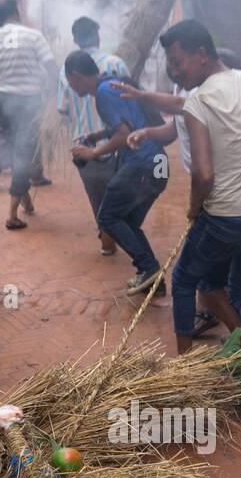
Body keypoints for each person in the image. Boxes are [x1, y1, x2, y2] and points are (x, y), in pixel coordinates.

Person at [161, 20, 241, 354]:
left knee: (184, 280)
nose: (175, 72)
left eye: (177, 62)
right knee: (239, 290)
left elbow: (204, 175)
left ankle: (183, 365)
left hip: (224, 219)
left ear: (201, 54)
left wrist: (193, 208)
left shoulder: (199, 101)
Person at [124, 48, 241, 339]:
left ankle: (239, 335)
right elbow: (173, 129)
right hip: (204, 186)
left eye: (178, 64)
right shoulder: (187, 90)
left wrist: (141, 96)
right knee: (206, 265)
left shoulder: (209, 96)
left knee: (192, 271)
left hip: (213, 187)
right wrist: (148, 133)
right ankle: (213, 314)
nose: (175, 71)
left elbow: (181, 105)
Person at [66, 51, 168, 297]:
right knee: (128, 221)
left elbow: (124, 135)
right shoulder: (112, 84)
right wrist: (98, 136)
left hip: (143, 164)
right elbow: (129, 123)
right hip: (159, 163)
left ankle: (150, 269)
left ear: (76, 76)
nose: (70, 86)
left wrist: (92, 153)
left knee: (108, 217)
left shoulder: (103, 94)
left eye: (69, 82)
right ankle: (152, 278)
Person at [57, 16, 128, 257]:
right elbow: (132, 98)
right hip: (119, 145)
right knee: (119, 193)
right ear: (97, 35)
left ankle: (107, 236)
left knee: (98, 198)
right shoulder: (116, 63)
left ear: (76, 40)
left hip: (85, 147)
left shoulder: (65, 72)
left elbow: (63, 109)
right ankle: (118, 233)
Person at [0, 0, 55, 230]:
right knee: (24, 154)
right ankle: (12, 215)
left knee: (16, 150)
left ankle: (26, 203)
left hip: (2, 102)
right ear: (16, 10)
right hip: (28, 103)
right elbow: (52, 68)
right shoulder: (34, 36)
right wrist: (51, 97)